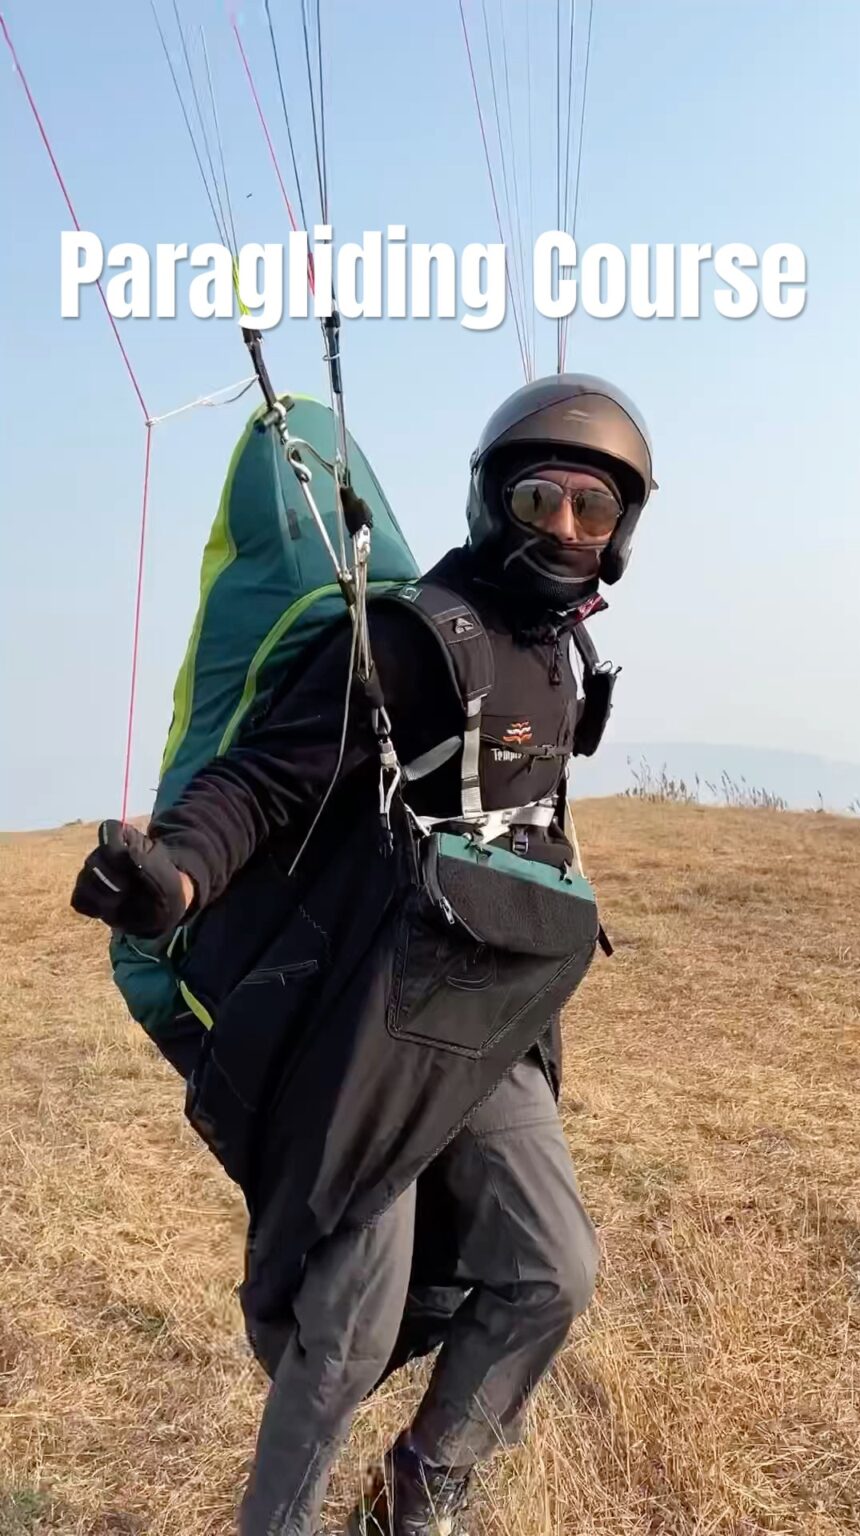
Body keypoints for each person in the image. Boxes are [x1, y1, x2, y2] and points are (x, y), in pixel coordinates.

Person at [71, 374, 655, 1536]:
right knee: (346, 1326)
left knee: (553, 1272)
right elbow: (262, 781)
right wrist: (173, 874)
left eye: (597, 511)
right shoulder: (412, 637)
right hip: (373, 1022)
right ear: (496, 502)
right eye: (542, 498)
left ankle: (417, 1494)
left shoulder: (559, 653)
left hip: (486, 1023)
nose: (567, 530)